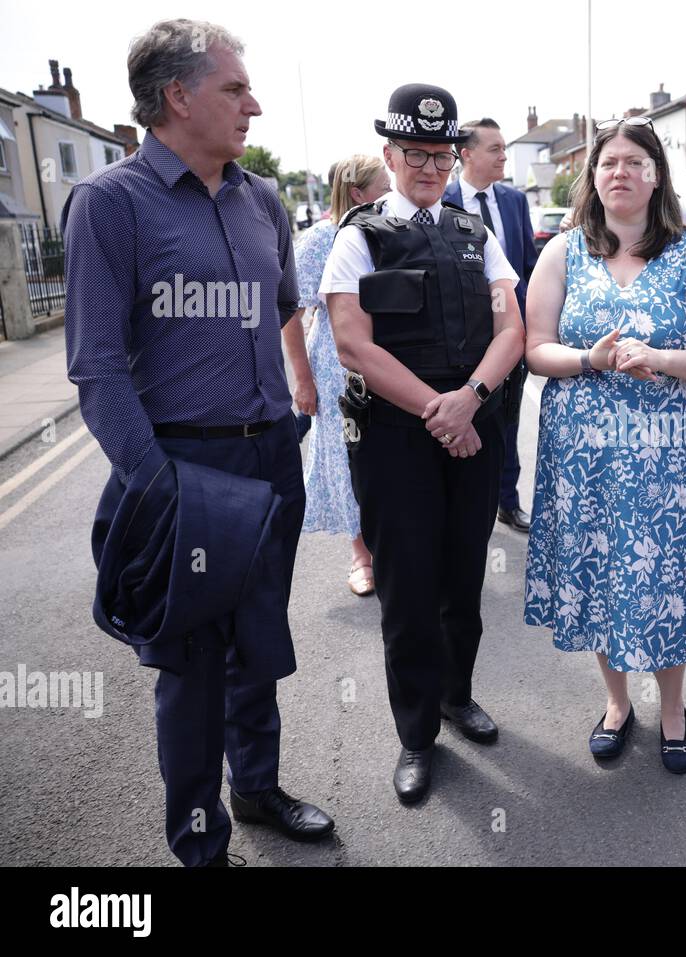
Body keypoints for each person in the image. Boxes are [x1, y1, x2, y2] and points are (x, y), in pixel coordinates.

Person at [63, 19, 334, 866]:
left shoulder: (260, 201)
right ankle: (199, 841)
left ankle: (255, 788)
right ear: (177, 96)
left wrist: (300, 398)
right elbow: (98, 369)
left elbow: (285, 303)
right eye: (234, 89)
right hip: (184, 471)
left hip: (269, 460)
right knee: (192, 670)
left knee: (258, 640)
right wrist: (160, 486)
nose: (252, 105)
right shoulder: (110, 204)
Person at [321, 85, 523, 804]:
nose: (430, 166)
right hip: (395, 438)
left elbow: (513, 329)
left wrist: (469, 400)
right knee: (407, 590)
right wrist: (440, 410)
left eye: (441, 154)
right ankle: (416, 734)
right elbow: (352, 343)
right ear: (390, 154)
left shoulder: (477, 235)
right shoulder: (360, 235)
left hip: (471, 426)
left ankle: (455, 695)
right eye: (416, 153)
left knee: (462, 580)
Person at [524, 116, 686, 774]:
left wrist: (660, 356)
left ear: (656, 175)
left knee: (664, 577)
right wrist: (591, 357)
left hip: (666, 455)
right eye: (609, 162)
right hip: (585, 453)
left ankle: (672, 709)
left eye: (636, 162)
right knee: (602, 575)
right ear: (592, 176)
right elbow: (535, 349)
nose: (621, 172)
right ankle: (617, 703)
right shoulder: (562, 251)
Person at [282, 154, 390, 596]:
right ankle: (361, 556)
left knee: (389, 457)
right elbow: (291, 313)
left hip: (389, 361)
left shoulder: (391, 234)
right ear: (360, 193)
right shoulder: (320, 240)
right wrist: (303, 380)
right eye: (384, 185)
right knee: (348, 460)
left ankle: (393, 548)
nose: (391, 191)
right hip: (335, 369)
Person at [444, 118, 540, 533]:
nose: (504, 156)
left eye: (504, 149)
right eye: (496, 149)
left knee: (508, 422)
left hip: (510, 334)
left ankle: (507, 501)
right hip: (459, 338)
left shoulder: (515, 201)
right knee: (459, 418)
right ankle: (459, 512)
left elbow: (529, 266)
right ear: (466, 153)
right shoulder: (441, 199)